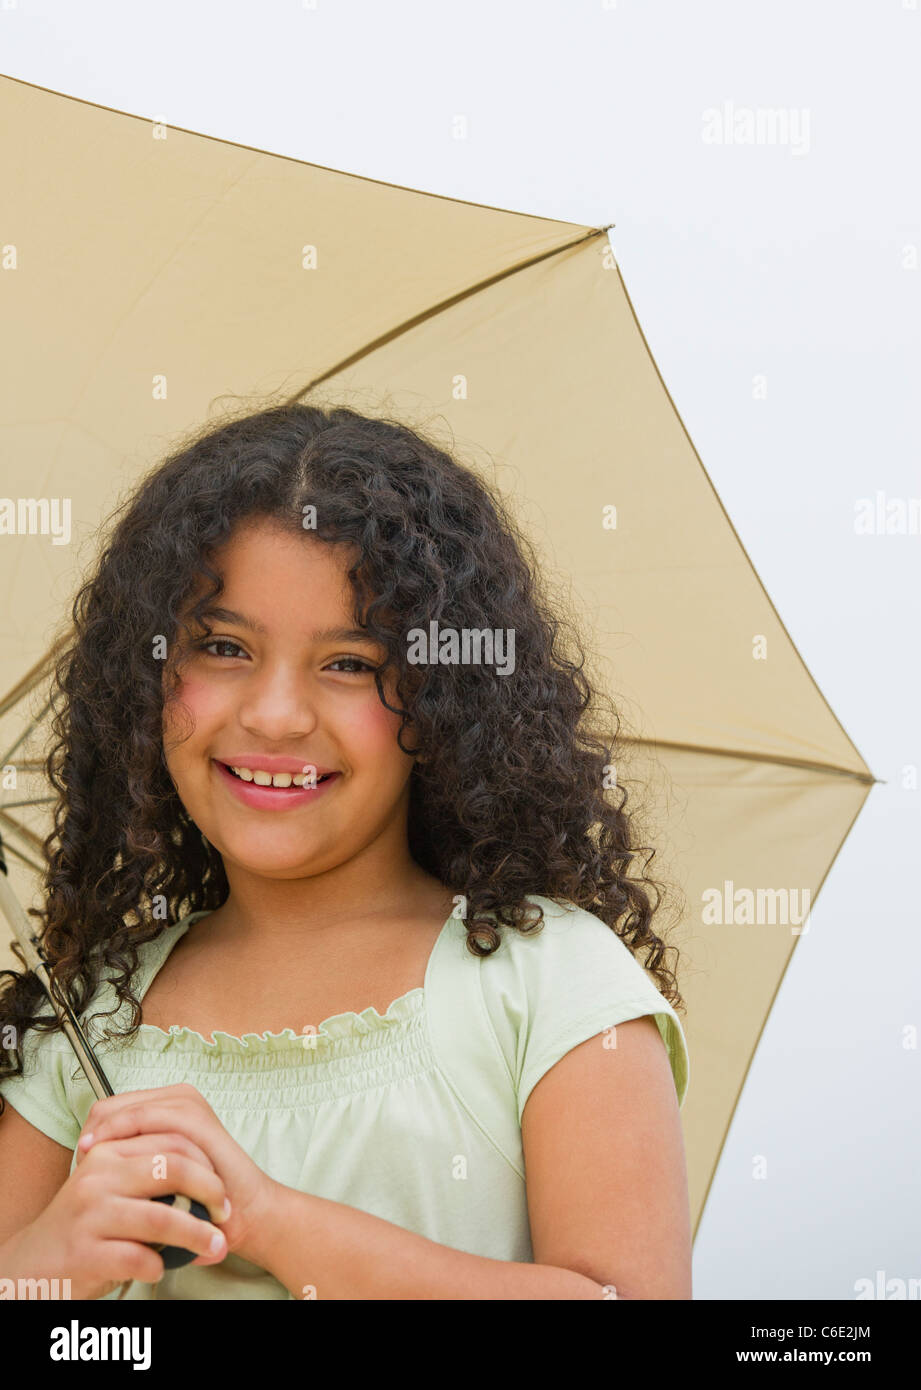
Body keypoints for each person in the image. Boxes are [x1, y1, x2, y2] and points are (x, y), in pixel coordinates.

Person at [0, 401, 691, 1300]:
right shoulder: (82, 1023)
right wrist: (43, 1266)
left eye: (351, 663)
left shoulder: (549, 987)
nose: (276, 715)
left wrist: (271, 1221)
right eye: (221, 646)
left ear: (447, 699)